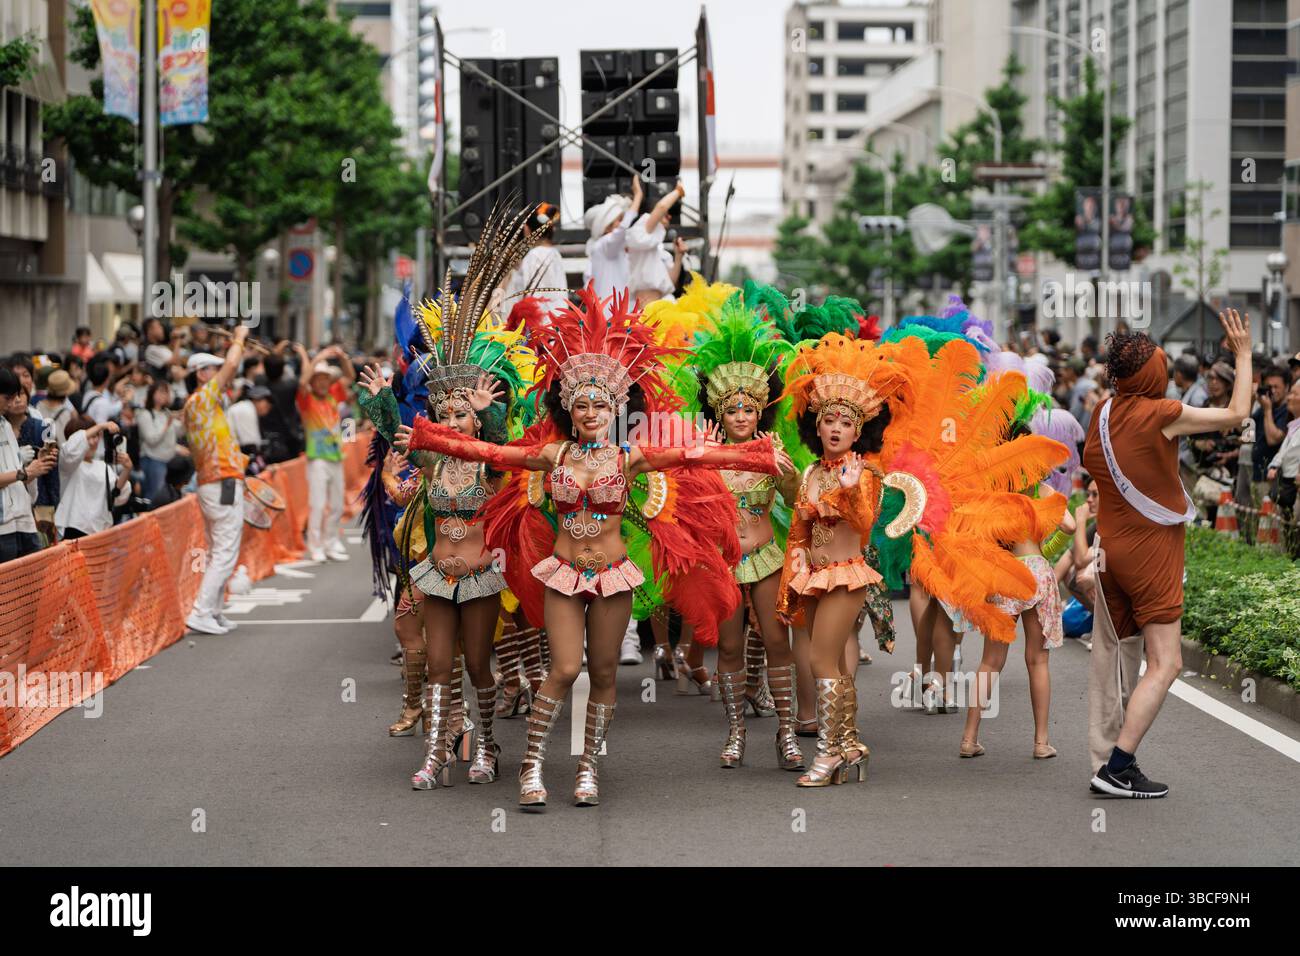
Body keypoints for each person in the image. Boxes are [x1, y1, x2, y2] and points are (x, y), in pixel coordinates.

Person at [395, 284, 778, 810]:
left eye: (602, 403)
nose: (592, 411)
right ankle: (531, 767)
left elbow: (693, 456)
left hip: (614, 574)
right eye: (582, 404)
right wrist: (428, 438)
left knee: (601, 672)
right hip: (564, 573)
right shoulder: (553, 455)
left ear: (616, 408)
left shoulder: (630, 457)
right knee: (564, 669)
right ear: (569, 411)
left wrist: (759, 456)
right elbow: (487, 449)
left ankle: (588, 767)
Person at [1081, 311, 1253, 799]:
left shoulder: (1103, 412)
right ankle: (1117, 765)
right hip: (1151, 553)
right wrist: (1242, 356)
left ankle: (1105, 754)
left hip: (1109, 551)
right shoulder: (1162, 415)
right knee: (1166, 663)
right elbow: (1238, 415)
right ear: (1152, 374)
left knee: (1118, 657)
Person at [690, 295, 805, 771]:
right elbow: (689, 509)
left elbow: (800, 500)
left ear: (761, 413)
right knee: (731, 648)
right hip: (722, 565)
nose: (741, 416)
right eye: (732, 409)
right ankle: (736, 731)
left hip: (766, 559)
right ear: (720, 413)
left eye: (749, 409)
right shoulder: (706, 453)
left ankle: (786, 733)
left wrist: (784, 467)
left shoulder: (771, 452)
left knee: (779, 644)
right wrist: (698, 459)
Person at [182, 330, 250, 635]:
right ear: (200, 374)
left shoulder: (207, 405)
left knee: (218, 550)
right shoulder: (201, 401)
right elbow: (233, 366)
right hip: (220, 482)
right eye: (213, 369)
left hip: (220, 481)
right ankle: (202, 611)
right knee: (224, 551)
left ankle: (214, 611)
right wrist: (239, 336)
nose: (219, 374)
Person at [295, 345, 356, 562]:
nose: (322, 382)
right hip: (317, 459)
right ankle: (315, 545)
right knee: (318, 504)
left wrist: (343, 357)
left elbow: (350, 377)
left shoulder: (332, 396)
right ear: (313, 380)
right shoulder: (306, 399)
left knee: (338, 504)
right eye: (318, 378)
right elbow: (302, 382)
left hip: (335, 457)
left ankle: (330, 542)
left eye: (325, 378)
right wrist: (318, 357)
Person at [0, 370, 57, 562]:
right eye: (7, 397)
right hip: (3, 527)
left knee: (33, 585)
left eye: (16, 396)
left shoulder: (5, 425)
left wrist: (35, 467)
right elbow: (17, 474)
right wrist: (24, 473)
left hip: (23, 521)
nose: (12, 403)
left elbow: (19, 474)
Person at [54, 416, 131, 540]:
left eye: (96, 436)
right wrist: (100, 426)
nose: (93, 442)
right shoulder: (69, 463)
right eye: (89, 437)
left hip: (100, 532)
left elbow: (116, 494)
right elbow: (71, 449)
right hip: (74, 529)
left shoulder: (102, 466)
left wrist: (127, 469)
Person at [625, 179, 687, 307]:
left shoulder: (658, 251)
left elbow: (671, 283)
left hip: (663, 306)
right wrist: (678, 191)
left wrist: (678, 257)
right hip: (645, 310)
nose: (668, 218)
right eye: (665, 215)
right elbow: (662, 207)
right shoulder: (639, 234)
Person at [504, 202, 568, 310]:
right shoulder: (554, 253)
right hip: (556, 317)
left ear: (527, 229)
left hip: (541, 321)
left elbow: (532, 295)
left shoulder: (534, 255)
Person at [138, 379, 187, 503]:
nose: (162, 396)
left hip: (168, 460)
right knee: (155, 496)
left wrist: (185, 421)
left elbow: (179, 432)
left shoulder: (166, 413)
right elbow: (151, 440)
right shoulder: (145, 414)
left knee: (166, 496)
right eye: (159, 392)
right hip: (153, 460)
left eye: (165, 393)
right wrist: (167, 424)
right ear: (152, 393)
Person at [583, 185, 635, 299]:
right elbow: (622, 231)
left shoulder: (611, 248)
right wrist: (638, 198)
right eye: (619, 220)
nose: (622, 224)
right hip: (610, 311)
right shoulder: (604, 245)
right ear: (606, 227)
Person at [1266, 379, 1300, 517]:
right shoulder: (1293, 426)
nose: (1289, 397)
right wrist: (1274, 465)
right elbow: (1283, 452)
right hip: (1287, 482)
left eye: (1294, 394)